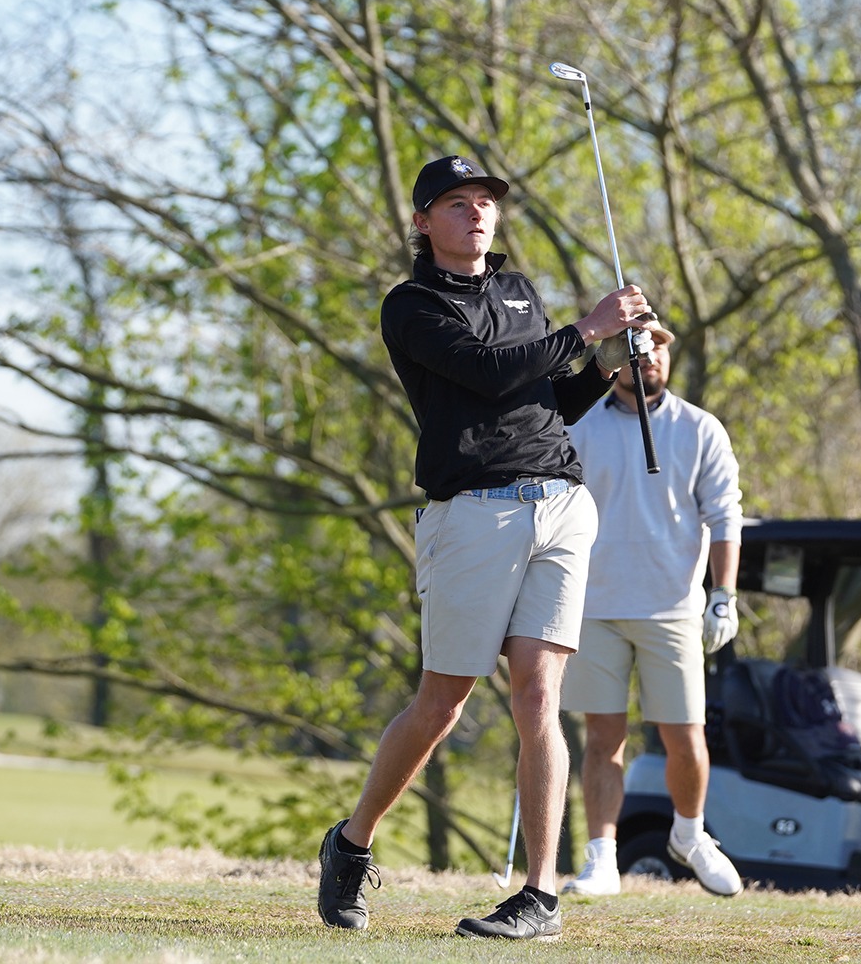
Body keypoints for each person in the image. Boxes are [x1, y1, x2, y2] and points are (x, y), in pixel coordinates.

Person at [316, 153, 657, 942]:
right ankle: (352, 841)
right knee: (445, 701)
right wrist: (587, 328)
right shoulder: (410, 304)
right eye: (459, 203)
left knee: (540, 693)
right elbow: (485, 372)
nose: (478, 214)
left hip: (563, 503)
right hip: (473, 510)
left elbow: (549, 396)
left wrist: (612, 366)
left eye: (486, 203)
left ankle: (539, 896)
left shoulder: (519, 291)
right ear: (422, 220)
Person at [559, 325, 745, 898]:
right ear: (614, 355)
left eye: (659, 346)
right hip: (595, 603)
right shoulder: (579, 423)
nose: (650, 356)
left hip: (673, 607)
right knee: (602, 738)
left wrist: (724, 595)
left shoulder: (699, 427)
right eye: (637, 347)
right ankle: (602, 860)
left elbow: (724, 516)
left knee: (686, 736)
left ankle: (689, 835)